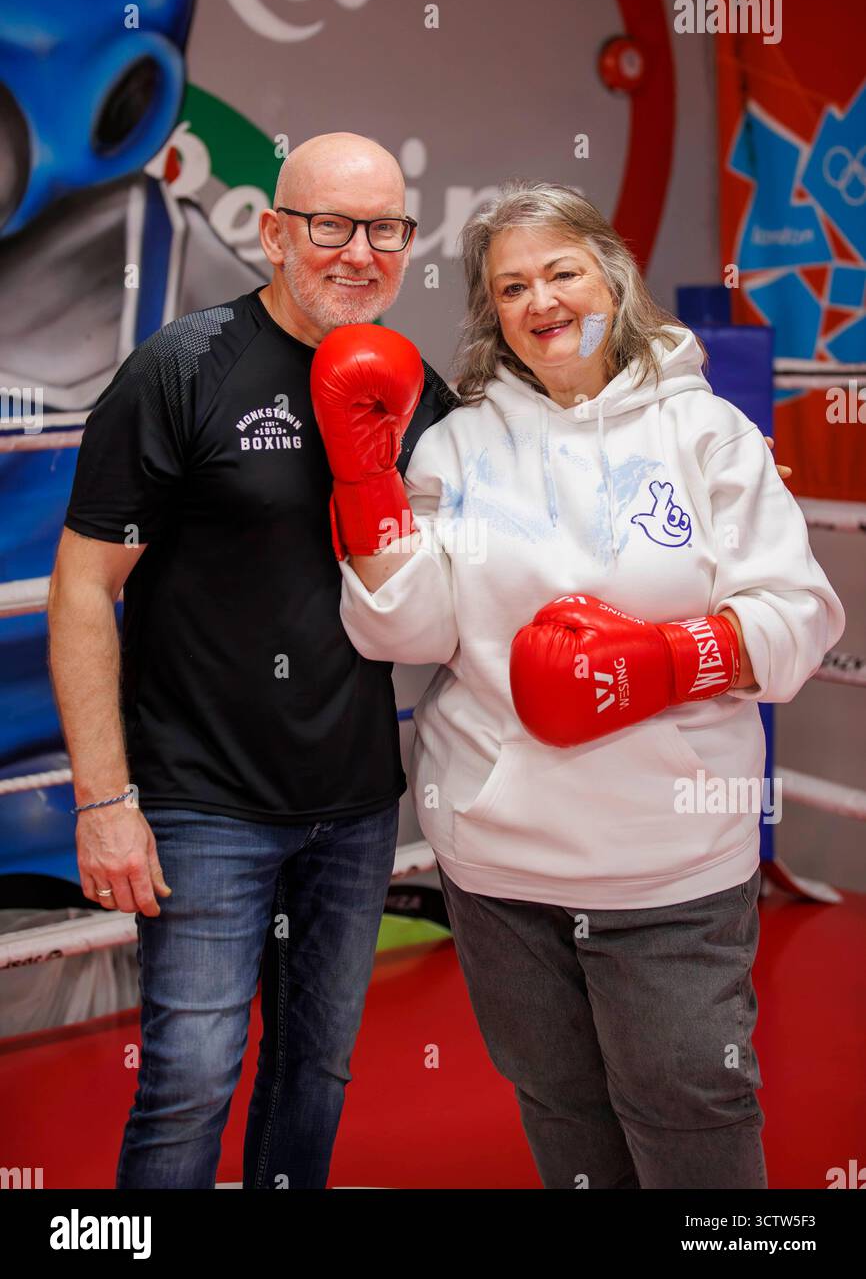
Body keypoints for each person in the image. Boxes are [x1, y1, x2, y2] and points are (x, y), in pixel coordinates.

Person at [319, 179, 846, 1189]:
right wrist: (365, 482)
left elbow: (796, 618)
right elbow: (407, 630)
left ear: (611, 276)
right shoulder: (456, 445)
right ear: (493, 316)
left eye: (560, 270)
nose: (540, 298)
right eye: (510, 285)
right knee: (557, 1101)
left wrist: (656, 661)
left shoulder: (707, 436)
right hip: (499, 862)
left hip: (668, 857)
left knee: (690, 1100)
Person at [46, 132, 458, 1189]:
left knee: (314, 1070)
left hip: (356, 799)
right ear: (274, 233)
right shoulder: (185, 369)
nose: (358, 251)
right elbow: (84, 588)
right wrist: (104, 800)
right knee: (188, 1076)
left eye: (384, 228)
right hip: (202, 801)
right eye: (329, 224)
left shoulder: (415, 393)